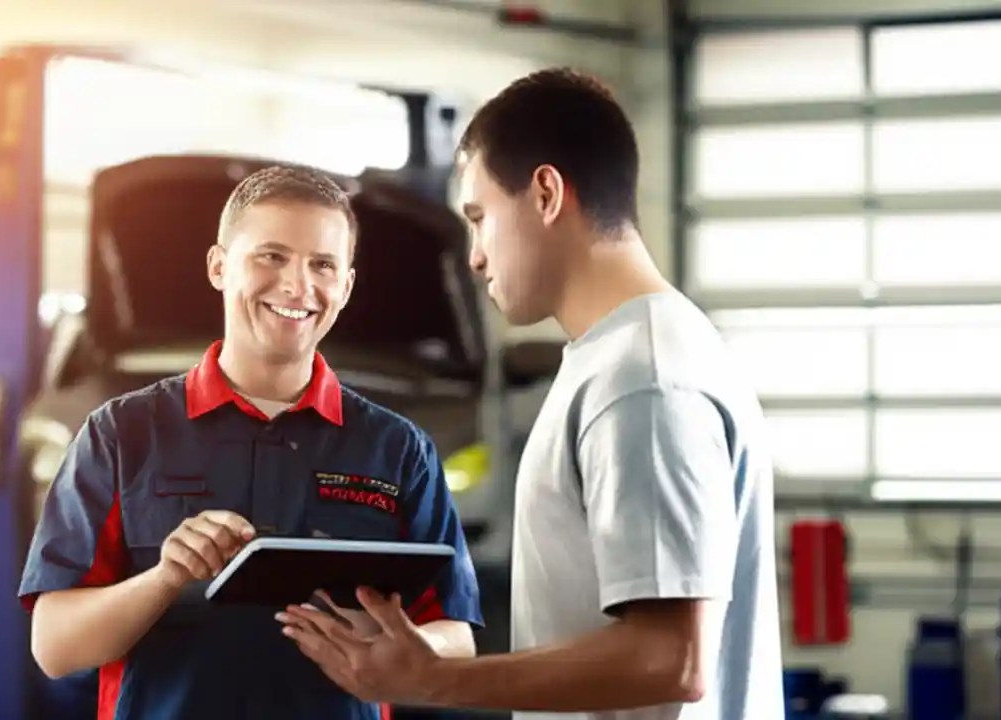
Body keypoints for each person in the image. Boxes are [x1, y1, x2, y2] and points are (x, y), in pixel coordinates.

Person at [278, 68, 783, 720]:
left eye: (480, 218)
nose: (474, 257)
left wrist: (432, 680)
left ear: (545, 193)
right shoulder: (631, 357)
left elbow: (671, 659)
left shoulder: (641, 381)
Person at [19, 165, 483, 720]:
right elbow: (55, 647)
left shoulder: (399, 450)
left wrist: (399, 648)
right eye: (272, 256)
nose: (297, 285)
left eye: (323, 265)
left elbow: (457, 639)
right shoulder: (121, 435)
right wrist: (167, 577)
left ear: (347, 286)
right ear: (219, 267)